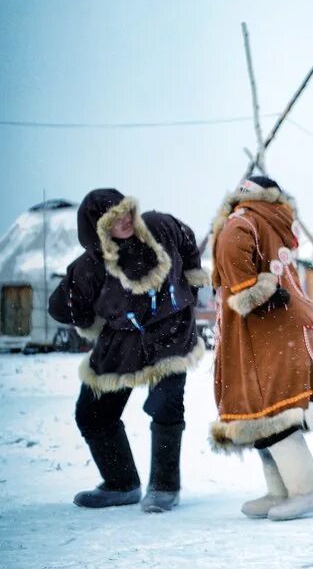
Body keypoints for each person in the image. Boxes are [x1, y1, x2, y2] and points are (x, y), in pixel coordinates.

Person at [48, 189, 208, 512]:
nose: (124, 220)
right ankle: (121, 484)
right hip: (122, 339)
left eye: (126, 211)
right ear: (97, 229)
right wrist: (88, 320)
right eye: (113, 217)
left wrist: (190, 278)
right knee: (92, 412)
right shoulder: (88, 268)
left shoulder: (160, 228)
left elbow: (187, 239)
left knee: (165, 403)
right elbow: (60, 305)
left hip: (171, 330)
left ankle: (164, 487)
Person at [209, 175, 313, 520]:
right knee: (262, 411)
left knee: (267, 406)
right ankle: (281, 490)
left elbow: (232, 256)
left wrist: (252, 291)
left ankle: (307, 490)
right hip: (284, 321)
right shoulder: (273, 219)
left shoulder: (241, 221)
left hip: (265, 324)